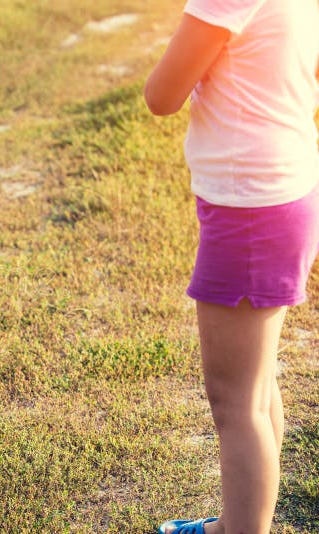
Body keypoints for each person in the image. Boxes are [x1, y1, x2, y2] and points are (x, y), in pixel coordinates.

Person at [143, 0, 319, 533]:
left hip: (252, 205)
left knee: (234, 402)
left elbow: (161, 96)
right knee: (256, 386)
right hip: (285, 186)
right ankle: (235, 525)